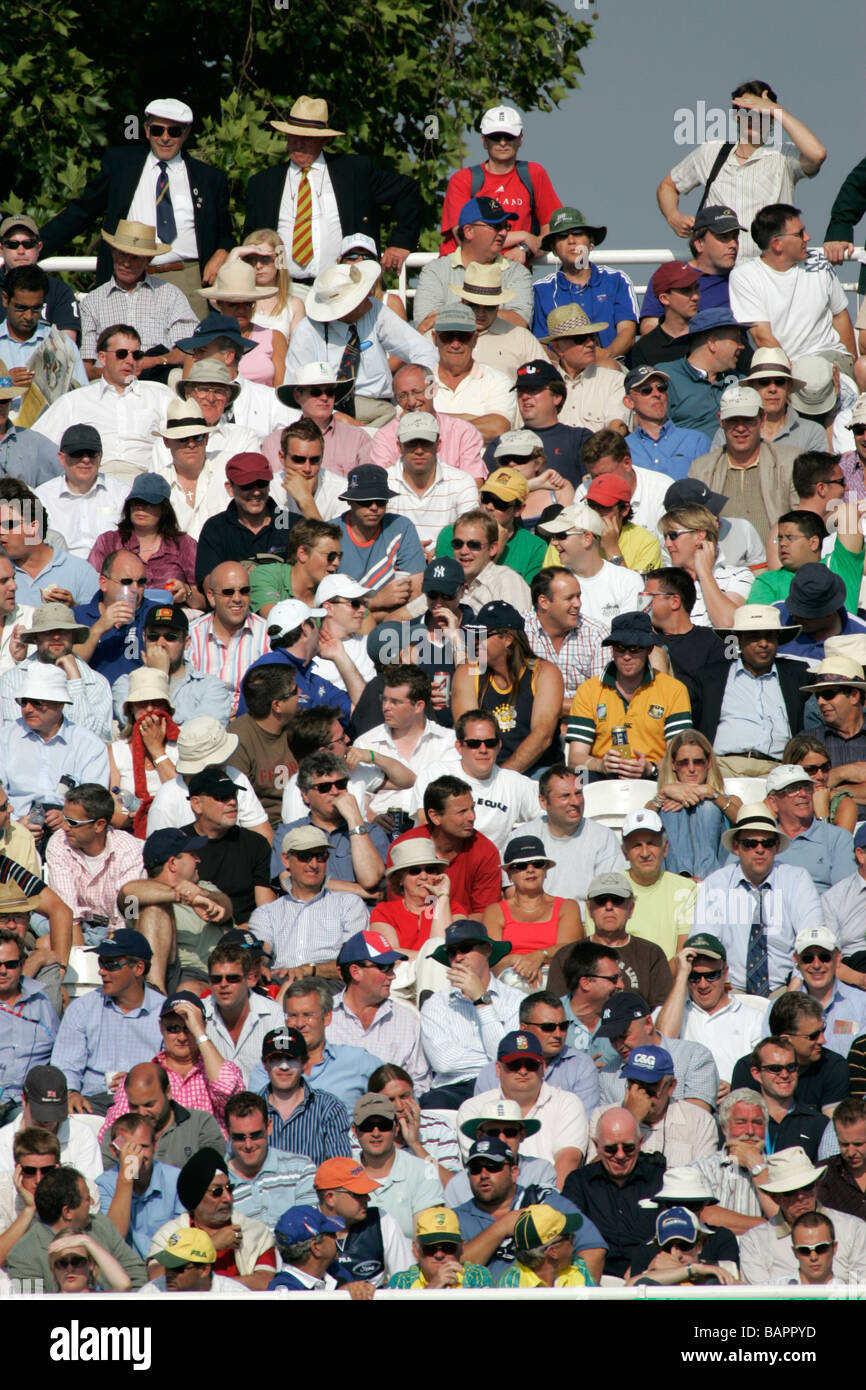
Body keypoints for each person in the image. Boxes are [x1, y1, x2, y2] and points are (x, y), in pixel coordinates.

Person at [39, 97, 231, 294]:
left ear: (186, 133)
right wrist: (34, 245)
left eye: (174, 131)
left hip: (188, 279)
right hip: (130, 278)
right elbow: (83, 211)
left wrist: (222, 252)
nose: (165, 138)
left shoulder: (210, 178)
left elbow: (226, 233)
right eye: (158, 130)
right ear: (147, 130)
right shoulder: (121, 165)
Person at [244, 94, 422, 282]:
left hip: (343, 286)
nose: (298, 144)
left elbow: (407, 190)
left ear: (324, 140)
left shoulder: (353, 172)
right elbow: (251, 238)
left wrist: (401, 243)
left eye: (306, 138)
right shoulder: (262, 183)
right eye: (293, 137)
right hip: (281, 289)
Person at [657, 79, 827, 262]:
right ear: (735, 116)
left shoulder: (784, 157)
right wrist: (673, 216)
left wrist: (777, 110)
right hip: (720, 276)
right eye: (746, 111)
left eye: (760, 112)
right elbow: (668, 186)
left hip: (768, 274)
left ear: (771, 118)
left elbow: (817, 154)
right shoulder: (711, 152)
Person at [693, 803, 822, 994]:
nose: (759, 849)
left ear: (777, 846)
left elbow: (813, 939)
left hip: (787, 988)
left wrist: (792, 992)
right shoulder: (716, 884)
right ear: (736, 847)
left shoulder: (796, 879)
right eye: (750, 843)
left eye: (767, 843)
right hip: (730, 991)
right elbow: (703, 945)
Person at [288, 261, 436, 426]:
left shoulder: (374, 310)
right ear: (345, 309)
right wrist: (335, 416)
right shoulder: (306, 331)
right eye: (361, 294)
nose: (371, 293)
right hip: (326, 414)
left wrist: (416, 393)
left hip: (383, 411)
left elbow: (423, 350)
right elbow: (295, 387)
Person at [98, 992, 244, 1141]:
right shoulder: (142, 1077)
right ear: (161, 1027)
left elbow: (230, 1097)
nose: (181, 1037)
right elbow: (112, 1134)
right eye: (173, 1029)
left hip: (209, 1156)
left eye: (188, 1028)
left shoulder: (220, 1069)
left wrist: (200, 1032)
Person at [566, 609, 693, 780]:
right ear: (612, 650)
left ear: (649, 650)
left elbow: (681, 755)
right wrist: (602, 765)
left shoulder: (673, 690)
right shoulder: (589, 690)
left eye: (634, 648)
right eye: (620, 647)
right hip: (602, 778)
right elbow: (575, 759)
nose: (626, 656)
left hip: (654, 779)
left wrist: (651, 768)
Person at [49, 928, 163, 1115]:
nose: (101, 971)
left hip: (145, 1103)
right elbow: (65, 1064)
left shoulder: (164, 1012)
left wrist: (140, 1080)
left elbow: (174, 1068)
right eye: (101, 962)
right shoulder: (82, 1008)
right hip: (93, 1102)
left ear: (138, 968)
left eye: (111, 964)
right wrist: (71, 1093)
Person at [730, 204, 855, 373]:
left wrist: (852, 369)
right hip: (785, 368)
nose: (808, 237)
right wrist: (789, 379)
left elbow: (840, 315)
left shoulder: (818, 261)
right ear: (777, 244)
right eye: (799, 234)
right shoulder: (744, 277)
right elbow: (762, 337)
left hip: (830, 359)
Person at [689, 604, 809, 776]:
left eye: (770, 637)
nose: (763, 644)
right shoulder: (710, 677)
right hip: (723, 766)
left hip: (778, 768)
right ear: (739, 639)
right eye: (754, 637)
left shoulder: (797, 675)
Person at [34, 324, 172, 472]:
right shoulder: (74, 401)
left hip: (146, 480)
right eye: (122, 354)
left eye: (136, 355)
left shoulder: (160, 396)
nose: (130, 361)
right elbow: (37, 443)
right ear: (102, 357)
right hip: (92, 480)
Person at [457, 1029, 587, 1186]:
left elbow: (568, 1161)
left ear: (543, 1067)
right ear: (498, 1069)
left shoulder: (567, 1103)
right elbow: (481, 1168)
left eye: (531, 1064)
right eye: (514, 1064)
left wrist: (544, 1204)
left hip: (547, 1199)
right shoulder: (473, 1109)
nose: (523, 1071)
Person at [453, 600, 563, 777]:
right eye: (474, 635)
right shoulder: (467, 673)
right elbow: (468, 733)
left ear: (508, 639)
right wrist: (490, 779)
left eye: (482, 635)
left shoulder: (544, 673)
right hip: (484, 770)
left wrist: (502, 780)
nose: (475, 641)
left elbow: (542, 737)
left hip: (536, 769)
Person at [419, 920, 523, 1107]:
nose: (458, 957)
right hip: (452, 1091)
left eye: (465, 948)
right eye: (452, 952)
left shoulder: (516, 1000)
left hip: (502, 1088)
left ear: (487, 950)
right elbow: (443, 1062)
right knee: (435, 1103)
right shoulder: (435, 1004)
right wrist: (496, 1061)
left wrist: (481, 1001)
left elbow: (512, 1057)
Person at [438, 104, 560, 259]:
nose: (502, 143)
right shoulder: (462, 179)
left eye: (509, 136)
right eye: (495, 137)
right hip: (463, 273)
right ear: (484, 140)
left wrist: (524, 250)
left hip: (513, 273)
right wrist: (523, 236)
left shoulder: (534, 174)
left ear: (520, 138)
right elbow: (464, 238)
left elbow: (553, 230)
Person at [78, 220, 199, 374]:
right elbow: (85, 366)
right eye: (121, 254)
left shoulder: (170, 295)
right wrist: (115, 373)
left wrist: (155, 361)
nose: (126, 263)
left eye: (134, 257)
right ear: (113, 252)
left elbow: (188, 350)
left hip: (158, 378)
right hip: (108, 383)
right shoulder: (92, 302)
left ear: (148, 260)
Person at [409, 710, 540, 853]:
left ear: (499, 745)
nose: (483, 750)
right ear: (459, 747)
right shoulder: (435, 773)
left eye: (490, 743)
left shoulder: (515, 783)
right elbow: (426, 825)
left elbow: (549, 821)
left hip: (489, 868)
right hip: (439, 863)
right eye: (474, 743)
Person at [245, 976, 385, 1108]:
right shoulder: (267, 1069)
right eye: (293, 1015)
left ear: (327, 1017)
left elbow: (394, 1095)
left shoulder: (357, 1061)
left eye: (308, 1015)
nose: (300, 1024)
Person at [0, 664, 110, 831]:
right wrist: (15, 826)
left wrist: (67, 818)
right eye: (23, 702)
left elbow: (95, 801)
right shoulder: (5, 739)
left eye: (37, 703)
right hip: (12, 829)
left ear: (59, 704)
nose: (28, 709)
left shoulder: (89, 745)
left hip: (70, 834)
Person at [147, 1147, 275, 1288]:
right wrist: (210, 1246)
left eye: (229, 1188)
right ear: (196, 1198)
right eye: (217, 1191)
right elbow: (158, 1278)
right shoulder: (169, 1234)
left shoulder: (253, 1231)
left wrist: (210, 1289)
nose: (227, 1198)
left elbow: (266, 1282)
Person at [561, 1107, 665, 1279]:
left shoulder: (659, 1180)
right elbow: (570, 1235)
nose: (620, 1155)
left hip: (647, 1274)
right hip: (595, 1276)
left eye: (629, 1147)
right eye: (611, 1149)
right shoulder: (579, 1182)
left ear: (640, 1143)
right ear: (596, 1146)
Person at [688, 384, 800, 543]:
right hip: (721, 562)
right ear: (721, 421)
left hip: (777, 561)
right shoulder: (700, 469)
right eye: (733, 420)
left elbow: (802, 522)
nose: (740, 428)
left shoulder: (790, 462)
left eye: (748, 420)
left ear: (763, 420)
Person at [739, 1146, 866, 1285]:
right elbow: (760, 1297)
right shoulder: (754, 1242)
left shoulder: (854, 1229)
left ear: (817, 1185)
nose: (800, 1197)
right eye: (790, 1191)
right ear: (775, 1197)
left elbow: (861, 1287)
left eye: (807, 1187)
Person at [4, 1166, 145, 1290]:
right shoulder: (23, 1255)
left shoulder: (102, 1226)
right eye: (86, 1199)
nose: (92, 1202)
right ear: (68, 1212)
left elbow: (136, 1275)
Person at [655, 934, 769, 1087]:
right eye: (694, 976)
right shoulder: (671, 1012)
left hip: (737, 1101)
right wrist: (681, 975)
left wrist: (736, 1088)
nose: (703, 985)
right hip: (686, 1102)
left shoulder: (754, 1017)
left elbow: (766, 1071)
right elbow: (662, 1044)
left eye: (711, 976)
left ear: (725, 972)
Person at [531, 206, 638, 362]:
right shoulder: (541, 290)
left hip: (613, 366)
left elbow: (628, 334)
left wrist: (604, 359)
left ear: (591, 242)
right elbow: (540, 344)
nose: (571, 241)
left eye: (577, 233)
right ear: (553, 249)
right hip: (562, 374)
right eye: (562, 236)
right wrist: (566, 369)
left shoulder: (617, 280)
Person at [549, 874, 671, 1009]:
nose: (609, 907)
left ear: (631, 909)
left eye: (617, 900)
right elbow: (555, 1010)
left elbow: (661, 1011)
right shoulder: (566, 956)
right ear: (589, 909)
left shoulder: (651, 954)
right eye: (600, 900)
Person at [327, 933, 431, 1092]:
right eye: (384, 967)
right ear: (355, 972)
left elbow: (420, 1083)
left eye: (392, 967)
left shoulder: (407, 1019)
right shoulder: (321, 1017)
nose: (392, 975)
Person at [44, 782, 144, 941]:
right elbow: (69, 915)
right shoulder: (59, 842)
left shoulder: (127, 848)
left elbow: (129, 914)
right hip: (76, 929)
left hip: (118, 933)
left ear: (99, 825)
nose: (64, 826)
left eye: (72, 822)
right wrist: (81, 960)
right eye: (64, 818)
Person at [0, 600, 112, 741]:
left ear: (73, 635)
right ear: (35, 637)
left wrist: (75, 681)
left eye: (63, 631)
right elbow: (17, 737)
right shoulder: (12, 679)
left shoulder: (97, 683)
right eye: (48, 631)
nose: (57, 636)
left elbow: (96, 741)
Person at [415, 195, 532, 331]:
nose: (504, 232)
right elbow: (425, 326)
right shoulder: (435, 270)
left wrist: (449, 314)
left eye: (506, 226)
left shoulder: (517, 272)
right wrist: (489, 313)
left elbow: (518, 322)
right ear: (468, 231)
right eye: (496, 226)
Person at [390, 777, 502, 916]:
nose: (471, 817)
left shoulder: (485, 851)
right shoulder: (403, 846)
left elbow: (485, 915)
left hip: (461, 932)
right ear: (435, 816)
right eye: (461, 812)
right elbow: (398, 909)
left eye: (472, 808)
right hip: (411, 930)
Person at [483, 835, 582, 992]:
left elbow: (570, 951)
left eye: (537, 864)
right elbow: (492, 963)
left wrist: (540, 956)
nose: (530, 870)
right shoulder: (495, 911)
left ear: (545, 871)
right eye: (521, 866)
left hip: (556, 979)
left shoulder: (567, 906)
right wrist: (521, 960)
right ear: (509, 875)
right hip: (509, 982)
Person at [88, 474, 201, 608]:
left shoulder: (183, 544)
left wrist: (186, 592)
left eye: (149, 503)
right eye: (136, 502)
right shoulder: (108, 541)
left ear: (164, 509)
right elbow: (89, 588)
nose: (141, 508)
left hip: (169, 619)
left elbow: (205, 600)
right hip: (120, 616)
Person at [181, 766, 274, 927]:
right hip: (195, 936)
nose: (232, 802)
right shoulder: (178, 844)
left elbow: (268, 910)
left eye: (234, 795)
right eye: (222, 796)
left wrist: (250, 929)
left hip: (246, 934)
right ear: (197, 804)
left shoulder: (255, 844)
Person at [596, 990, 719, 1111]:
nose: (618, 1046)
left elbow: (696, 1118)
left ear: (648, 1023)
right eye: (612, 1038)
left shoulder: (693, 1056)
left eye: (624, 1035)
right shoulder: (607, 1075)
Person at [732, 991, 850, 1116]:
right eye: (813, 1036)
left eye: (823, 1030)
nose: (822, 1040)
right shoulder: (748, 1068)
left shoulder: (833, 1066)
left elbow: (832, 1129)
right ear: (786, 1040)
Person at [193, 452, 296, 588]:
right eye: (247, 485)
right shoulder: (215, 528)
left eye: (262, 483)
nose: (256, 492)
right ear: (230, 488)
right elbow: (209, 584)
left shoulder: (294, 525)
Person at [351, 1092, 445, 1238]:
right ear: (355, 1131)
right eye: (367, 1126)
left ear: (395, 1129)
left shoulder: (424, 1171)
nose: (376, 1133)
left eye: (384, 1125)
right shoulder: (342, 1174)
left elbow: (427, 1237)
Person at [647, 730, 741, 876]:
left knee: (708, 806)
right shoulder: (662, 802)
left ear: (708, 763)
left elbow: (745, 820)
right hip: (674, 881)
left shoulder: (727, 799)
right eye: (684, 763)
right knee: (670, 809)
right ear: (673, 765)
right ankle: (682, 877)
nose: (691, 769)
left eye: (698, 762)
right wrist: (663, 792)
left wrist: (713, 794)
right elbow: (641, 821)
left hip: (717, 877)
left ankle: (704, 876)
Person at [486, 358, 590, 488]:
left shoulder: (580, 439)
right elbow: (487, 494)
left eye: (533, 390)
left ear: (557, 396)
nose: (524, 396)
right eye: (521, 391)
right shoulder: (501, 443)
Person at [255, 1026, 352, 1164]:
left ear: (305, 1063)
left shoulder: (329, 1108)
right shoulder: (250, 1109)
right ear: (265, 1064)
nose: (284, 1066)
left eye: (291, 1058)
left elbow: (341, 1168)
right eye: (277, 1059)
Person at [313, 1155, 411, 1290]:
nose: (368, 1198)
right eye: (358, 1194)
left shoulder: (381, 1221)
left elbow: (407, 1282)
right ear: (330, 1198)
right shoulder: (302, 1227)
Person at [95, 1113, 184, 1259]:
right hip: (126, 1270)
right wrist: (127, 1177)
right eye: (129, 1149)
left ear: (155, 1145)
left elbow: (181, 1235)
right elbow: (113, 1241)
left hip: (167, 1263)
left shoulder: (176, 1180)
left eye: (143, 1147)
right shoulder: (103, 1185)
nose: (138, 1155)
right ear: (114, 1151)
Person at [33, 425, 128, 560]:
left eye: (92, 453)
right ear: (61, 458)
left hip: (108, 573)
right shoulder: (41, 497)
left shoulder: (122, 494)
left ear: (100, 456)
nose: (86, 460)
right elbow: (29, 546)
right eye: (77, 453)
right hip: (58, 571)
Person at [541, 505, 643, 628]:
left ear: (587, 539)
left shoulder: (629, 581)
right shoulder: (551, 583)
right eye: (553, 536)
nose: (553, 542)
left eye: (561, 535)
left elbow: (631, 636)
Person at [0, 482, 98, 609]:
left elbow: (97, 624)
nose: (1, 531)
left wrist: (73, 609)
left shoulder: (81, 572)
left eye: (9, 524)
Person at [521, 568, 607, 709]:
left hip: (583, 723)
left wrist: (549, 708)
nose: (578, 604)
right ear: (543, 602)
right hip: (530, 722)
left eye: (578, 596)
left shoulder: (596, 634)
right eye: (569, 598)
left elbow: (601, 699)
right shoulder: (520, 631)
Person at [750, 507, 863, 614]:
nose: (782, 544)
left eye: (790, 538)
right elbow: (759, 628)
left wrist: (819, 526)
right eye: (780, 538)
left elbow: (849, 512)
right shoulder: (768, 581)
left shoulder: (839, 566)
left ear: (813, 542)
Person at [0, 267, 86, 405]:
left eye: (36, 308)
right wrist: (5, 384)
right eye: (21, 308)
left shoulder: (63, 344)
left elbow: (81, 397)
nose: (28, 316)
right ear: (5, 299)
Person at [713, 347, 828, 451]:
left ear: (789, 386)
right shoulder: (728, 434)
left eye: (779, 381)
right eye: (764, 382)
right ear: (752, 386)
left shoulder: (813, 432)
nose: (772, 389)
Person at [765, 764, 856, 893]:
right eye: (792, 789)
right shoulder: (757, 840)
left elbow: (845, 896)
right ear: (773, 802)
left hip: (822, 909)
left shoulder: (837, 838)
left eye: (807, 787)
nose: (803, 794)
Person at [202, 940, 283, 1084]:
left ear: (249, 979)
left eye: (233, 978)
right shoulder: (199, 1013)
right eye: (216, 979)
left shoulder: (275, 1015)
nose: (223, 984)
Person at [660, 501, 752, 626]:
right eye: (665, 536)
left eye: (673, 535)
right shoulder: (663, 580)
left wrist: (705, 574)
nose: (667, 544)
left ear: (700, 535)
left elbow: (728, 624)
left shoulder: (738, 576)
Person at [195, 260, 286, 387]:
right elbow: (192, 385)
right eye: (233, 304)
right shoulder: (203, 338)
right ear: (219, 303)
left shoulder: (274, 337)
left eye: (248, 304)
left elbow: (280, 389)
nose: (242, 310)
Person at [540, 305, 630, 433]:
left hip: (601, 452)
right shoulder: (542, 386)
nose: (590, 344)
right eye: (580, 339)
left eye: (592, 337)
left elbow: (617, 430)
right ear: (558, 348)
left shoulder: (614, 381)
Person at [663, 308, 749, 438]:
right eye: (736, 339)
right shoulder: (666, 377)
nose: (741, 346)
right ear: (712, 344)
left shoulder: (741, 381)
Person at [71, 548, 152, 684]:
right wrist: (98, 629)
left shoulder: (153, 613)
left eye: (141, 582)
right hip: (92, 697)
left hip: (139, 696)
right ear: (104, 583)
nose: (134, 589)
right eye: (126, 582)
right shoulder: (77, 616)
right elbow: (70, 667)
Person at [0, 927, 59, 1109]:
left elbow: (58, 1051)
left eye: (10, 964)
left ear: (22, 964)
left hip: (30, 1102)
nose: (3, 971)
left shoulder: (41, 1001)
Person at [622, 365, 711, 480]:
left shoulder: (697, 441)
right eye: (646, 390)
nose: (656, 394)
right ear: (629, 402)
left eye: (661, 387)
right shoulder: (621, 448)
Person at [0, 213, 80, 340]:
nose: (21, 251)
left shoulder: (59, 291)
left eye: (28, 244)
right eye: (12, 244)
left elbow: (66, 347)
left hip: (45, 359)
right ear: (1, 249)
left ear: (39, 247)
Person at [626, 1205, 738, 1286]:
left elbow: (745, 1290)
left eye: (684, 1245)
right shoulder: (652, 1274)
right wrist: (691, 1270)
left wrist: (697, 1274)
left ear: (699, 1246)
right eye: (667, 1247)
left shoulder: (718, 1270)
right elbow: (630, 1286)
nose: (677, 1254)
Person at [444, 509, 531, 613]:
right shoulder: (445, 581)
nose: (464, 551)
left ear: (492, 548)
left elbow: (516, 628)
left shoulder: (507, 582)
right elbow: (421, 618)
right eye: (458, 544)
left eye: (474, 545)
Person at [386, 1204, 491, 1288]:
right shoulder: (402, 1282)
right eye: (430, 1248)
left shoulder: (477, 1276)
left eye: (448, 1247)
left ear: (461, 1247)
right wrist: (433, 1288)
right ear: (416, 1250)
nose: (439, 1254)